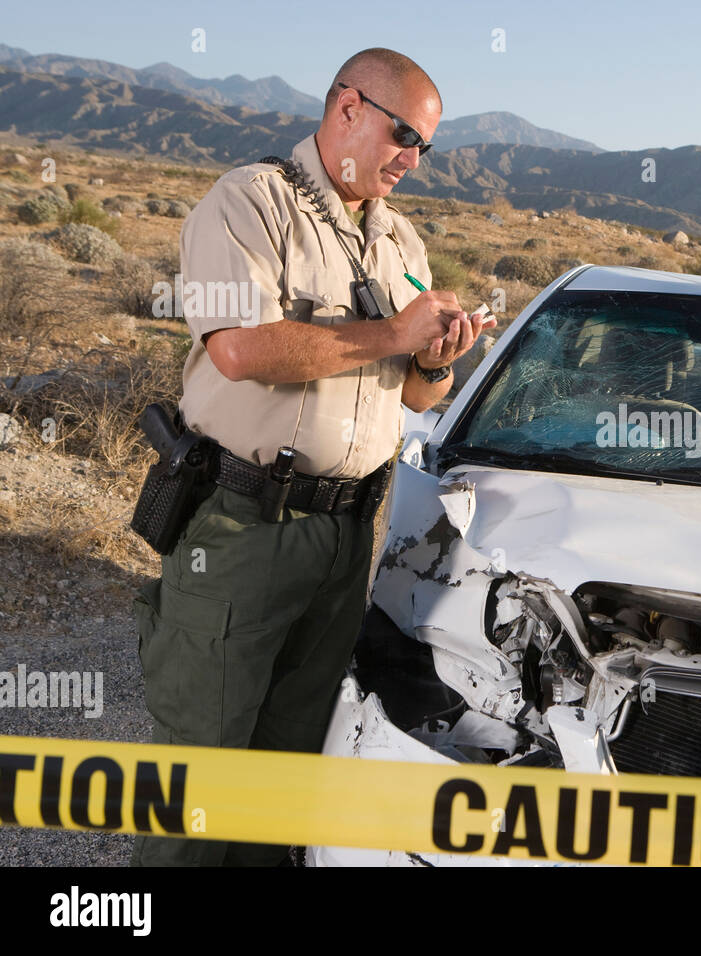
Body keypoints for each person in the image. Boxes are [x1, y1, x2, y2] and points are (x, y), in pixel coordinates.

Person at [131, 48, 494, 866]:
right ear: (347, 108)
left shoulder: (399, 240)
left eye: (425, 147)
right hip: (242, 526)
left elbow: (414, 397)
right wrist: (396, 333)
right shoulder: (249, 202)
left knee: (287, 768)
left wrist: (433, 359)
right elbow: (235, 350)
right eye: (404, 135)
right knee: (204, 768)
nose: (412, 159)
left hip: (343, 540)